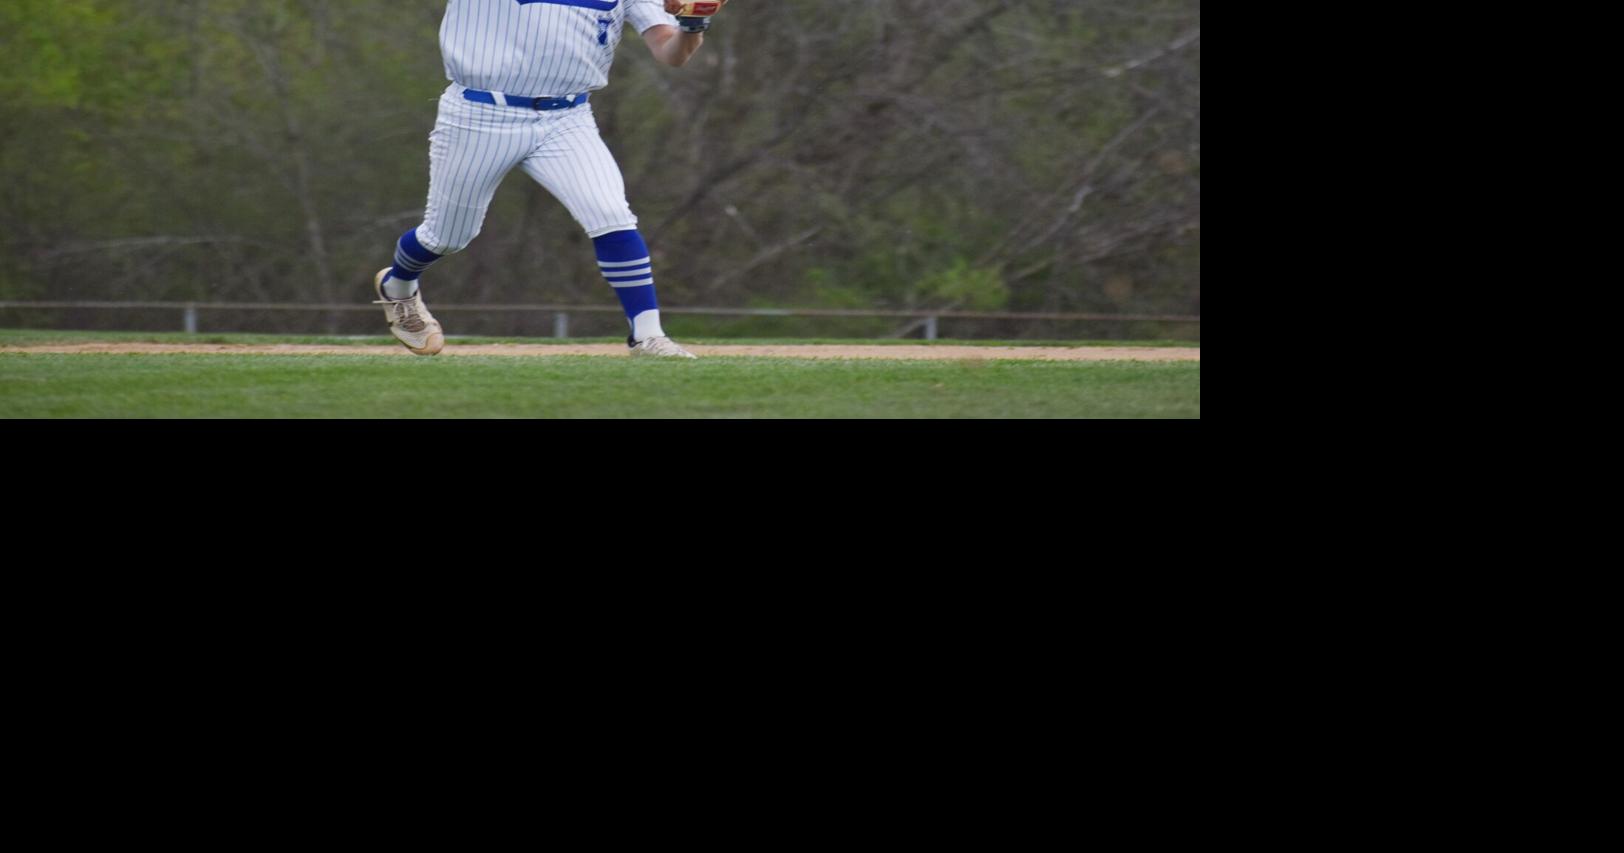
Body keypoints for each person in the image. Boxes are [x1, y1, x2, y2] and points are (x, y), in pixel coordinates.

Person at [372, 0, 729, 358]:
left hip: (567, 117)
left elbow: (671, 52)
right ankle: (399, 283)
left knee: (610, 214)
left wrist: (693, 24)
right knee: (446, 237)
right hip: (478, 114)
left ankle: (648, 336)